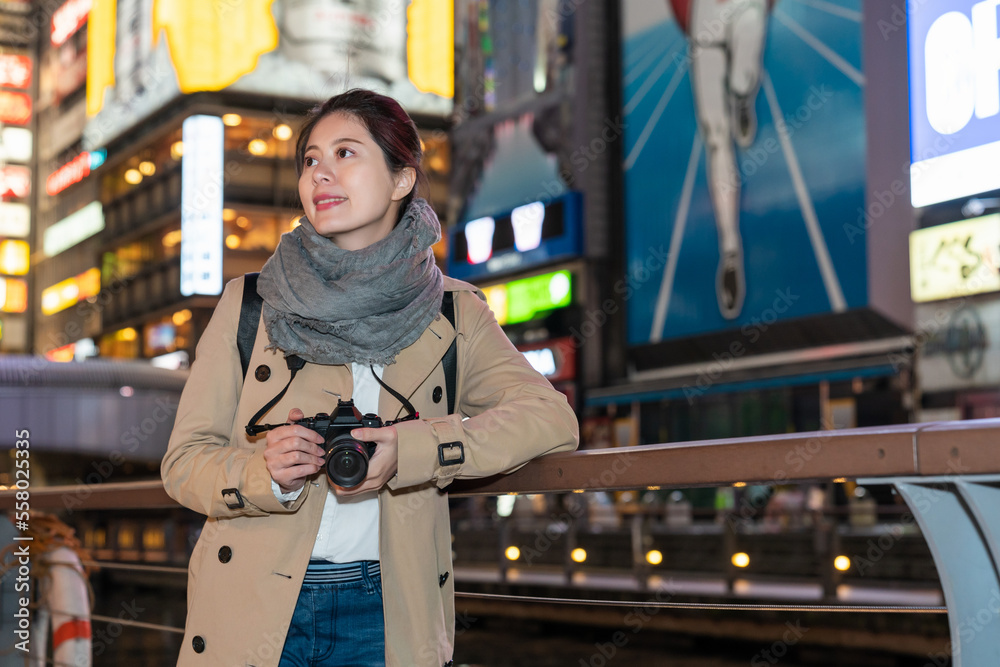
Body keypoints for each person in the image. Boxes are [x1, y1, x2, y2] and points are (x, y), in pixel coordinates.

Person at [161, 89, 579, 667]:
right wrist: (265, 473)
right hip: (252, 601)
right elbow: (183, 463)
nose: (320, 174)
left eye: (346, 153)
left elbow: (550, 417)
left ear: (402, 178)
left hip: (387, 610)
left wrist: (414, 449)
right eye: (310, 159)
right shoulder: (250, 304)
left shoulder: (454, 311)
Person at [670, 0, 771, 319]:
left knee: (742, 76)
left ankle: (742, 96)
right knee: (716, 136)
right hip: (706, 19)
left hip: (745, 7)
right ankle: (730, 250)